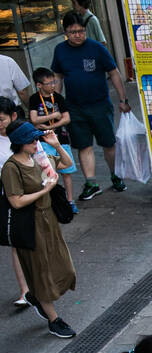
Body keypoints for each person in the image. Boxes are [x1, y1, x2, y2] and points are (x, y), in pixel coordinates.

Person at [3, 122, 77, 338]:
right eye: (32, 140)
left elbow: (66, 163)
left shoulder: (39, 157)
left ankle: (37, 296)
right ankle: (54, 319)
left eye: (36, 139)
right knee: (41, 271)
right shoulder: (11, 168)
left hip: (49, 220)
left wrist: (55, 144)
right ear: (19, 143)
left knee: (65, 268)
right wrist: (45, 190)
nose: (36, 143)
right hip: (29, 224)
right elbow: (15, 201)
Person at [49, 11, 131, 201]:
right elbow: (58, 77)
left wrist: (123, 100)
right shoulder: (60, 50)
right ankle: (91, 183)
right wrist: (56, 104)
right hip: (75, 107)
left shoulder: (96, 48)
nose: (78, 35)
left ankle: (115, 175)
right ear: (66, 32)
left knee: (108, 143)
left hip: (100, 104)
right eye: (73, 32)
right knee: (83, 145)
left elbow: (114, 73)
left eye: (81, 31)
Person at [0, 99, 34, 308]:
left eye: (1, 119)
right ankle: (25, 290)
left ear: (13, 116)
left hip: (36, 193)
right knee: (17, 244)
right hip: (11, 198)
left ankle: (44, 285)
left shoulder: (25, 134)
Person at [27, 68, 77, 212]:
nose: (53, 85)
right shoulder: (34, 99)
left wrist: (51, 125)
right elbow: (34, 119)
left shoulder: (59, 98)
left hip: (61, 139)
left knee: (66, 172)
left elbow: (66, 118)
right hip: (42, 141)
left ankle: (70, 200)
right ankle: (51, 201)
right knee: (47, 172)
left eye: (54, 82)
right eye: (49, 83)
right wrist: (55, 115)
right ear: (39, 85)